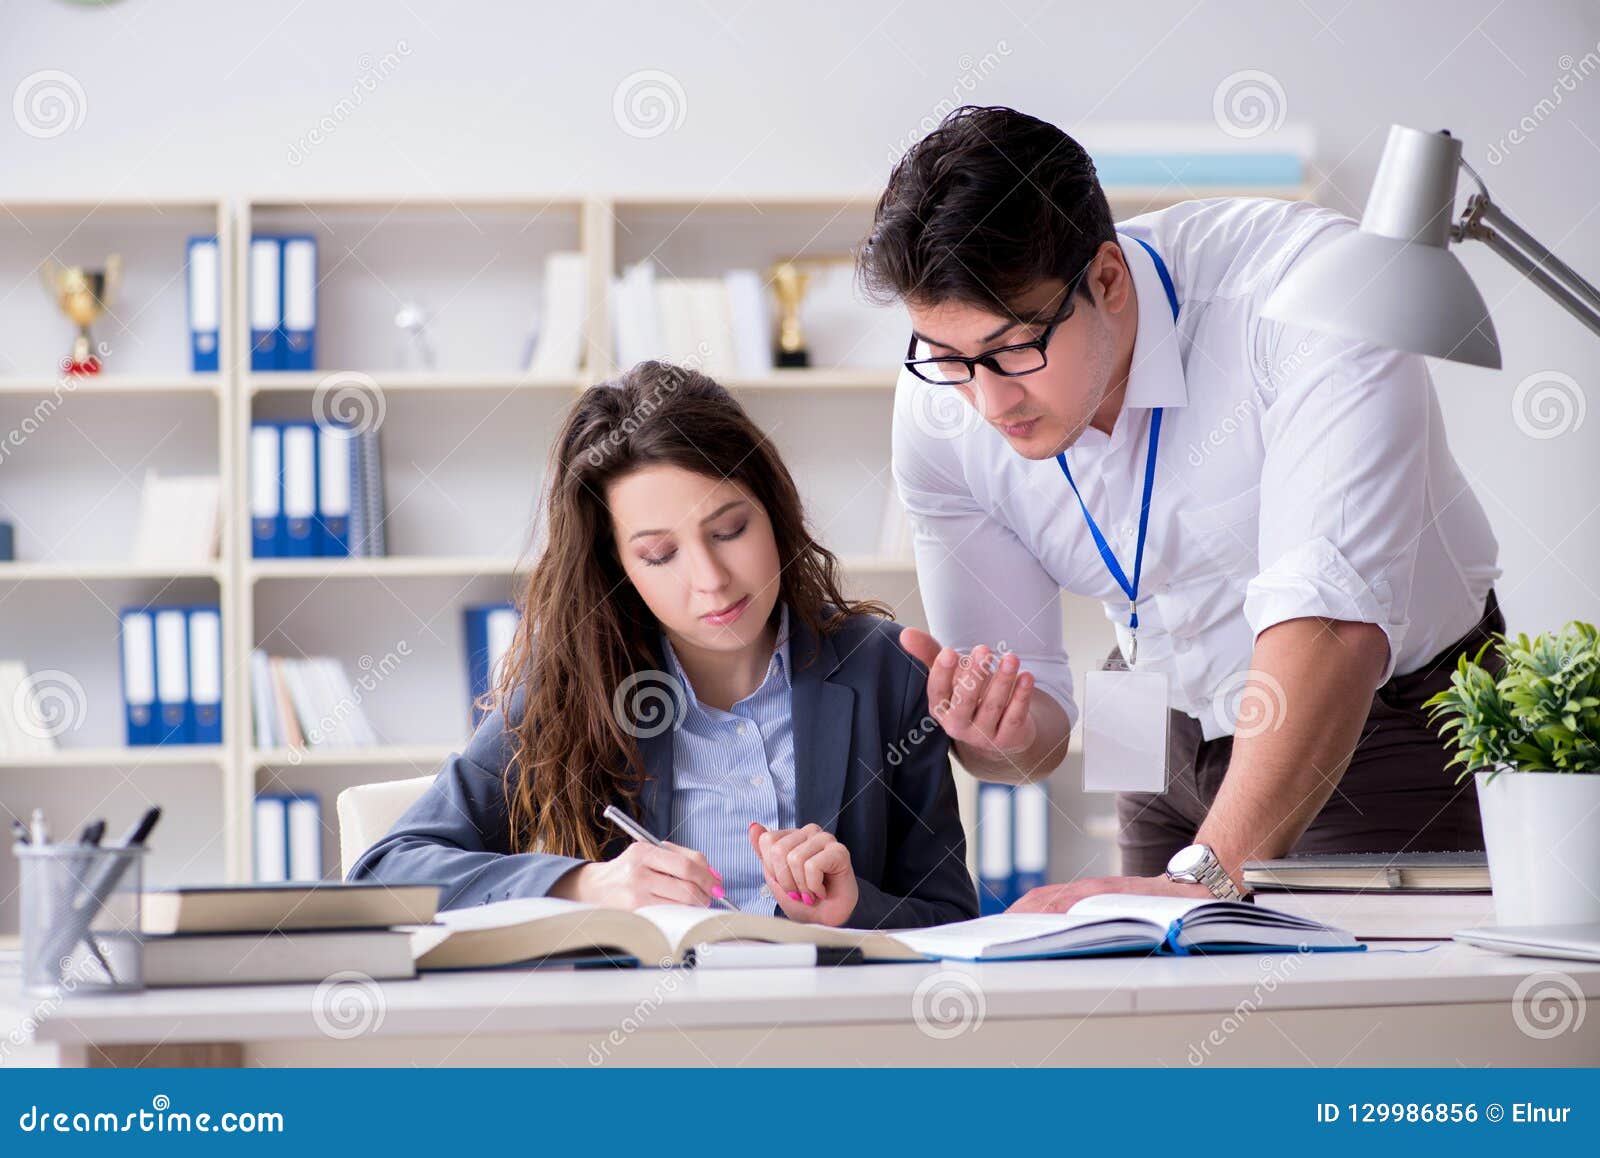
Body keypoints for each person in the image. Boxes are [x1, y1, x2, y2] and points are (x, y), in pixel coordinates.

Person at [856, 105, 1502, 911]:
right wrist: (1000, 735)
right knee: (1149, 977)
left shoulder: (1313, 296)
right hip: (1151, 708)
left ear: (1107, 279)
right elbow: (1034, 737)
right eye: (949, 359)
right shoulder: (938, 405)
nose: (988, 402)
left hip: (1373, 713)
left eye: (1013, 349)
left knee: (1337, 988)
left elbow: (1334, 625)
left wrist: (1203, 877)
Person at [349, 361, 977, 929]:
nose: (710, 580)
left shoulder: (883, 668)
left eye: (730, 529)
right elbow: (386, 872)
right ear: (619, 568)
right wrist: (586, 885)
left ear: (774, 510)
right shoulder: (573, 683)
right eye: (658, 554)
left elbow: (950, 917)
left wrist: (853, 909)